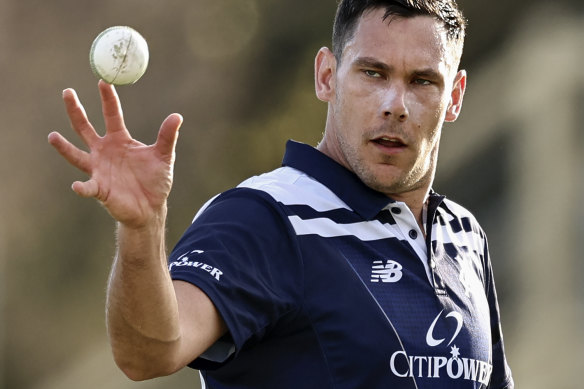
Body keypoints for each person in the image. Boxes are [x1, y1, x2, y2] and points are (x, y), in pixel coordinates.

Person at [48, 0, 514, 388]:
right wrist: (140, 229)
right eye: (373, 73)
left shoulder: (464, 235)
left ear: (454, 96)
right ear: (327, 76)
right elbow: (147, 352)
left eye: (422, 81)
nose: (395, 105)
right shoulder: (267, 217)